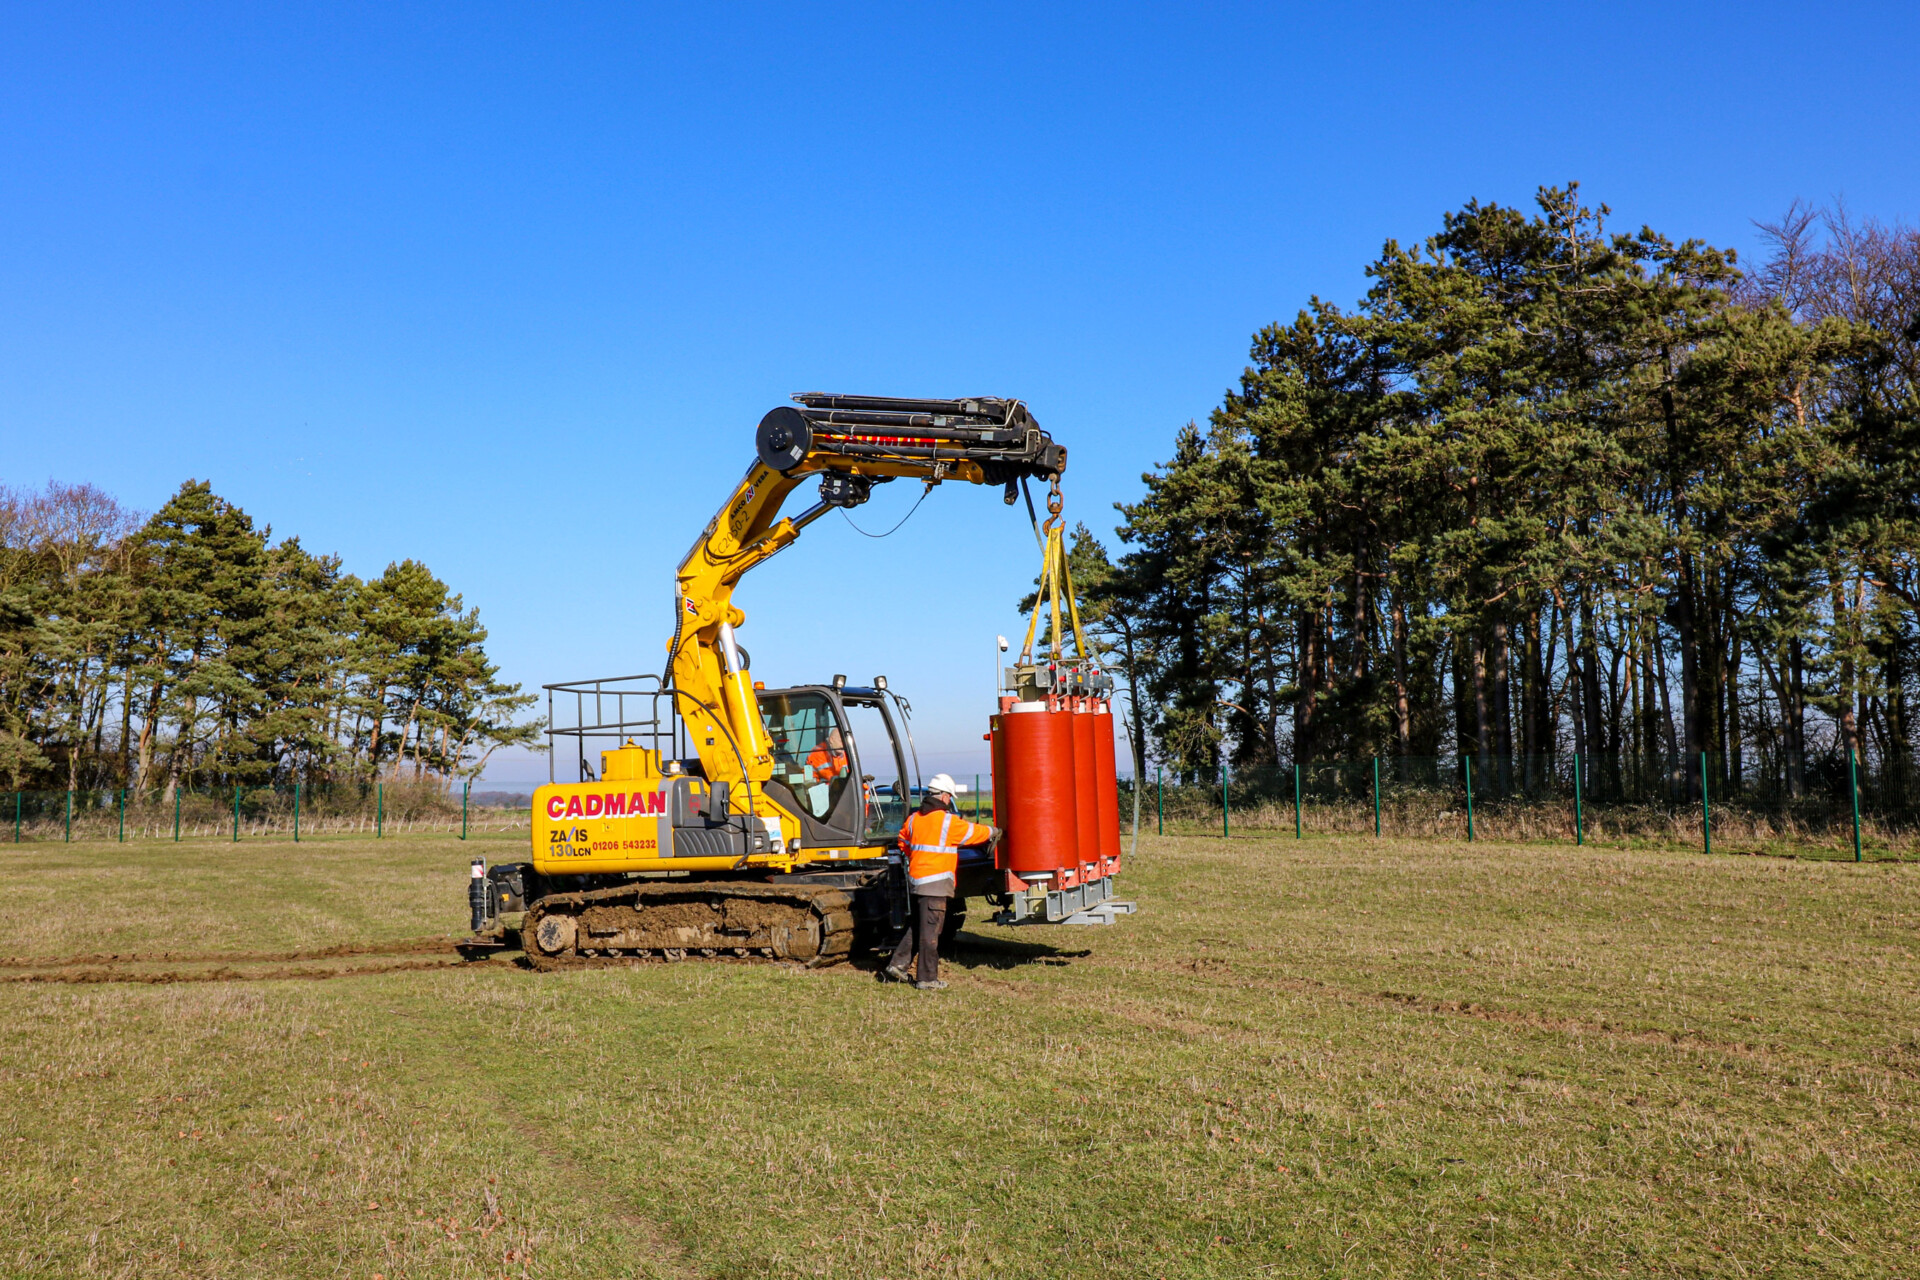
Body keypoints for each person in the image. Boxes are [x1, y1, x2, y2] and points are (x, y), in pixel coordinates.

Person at [887, 773, 996, 991]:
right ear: (945, 797)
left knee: (919, 925)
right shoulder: (948, 822)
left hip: (917, 882)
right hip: (936, 885)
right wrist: (994, 831)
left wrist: (917, 857)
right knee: (931, 933)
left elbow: (902, 841)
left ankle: (897, 964)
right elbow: (975, 832)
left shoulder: (914, 819)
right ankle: (927, 979)